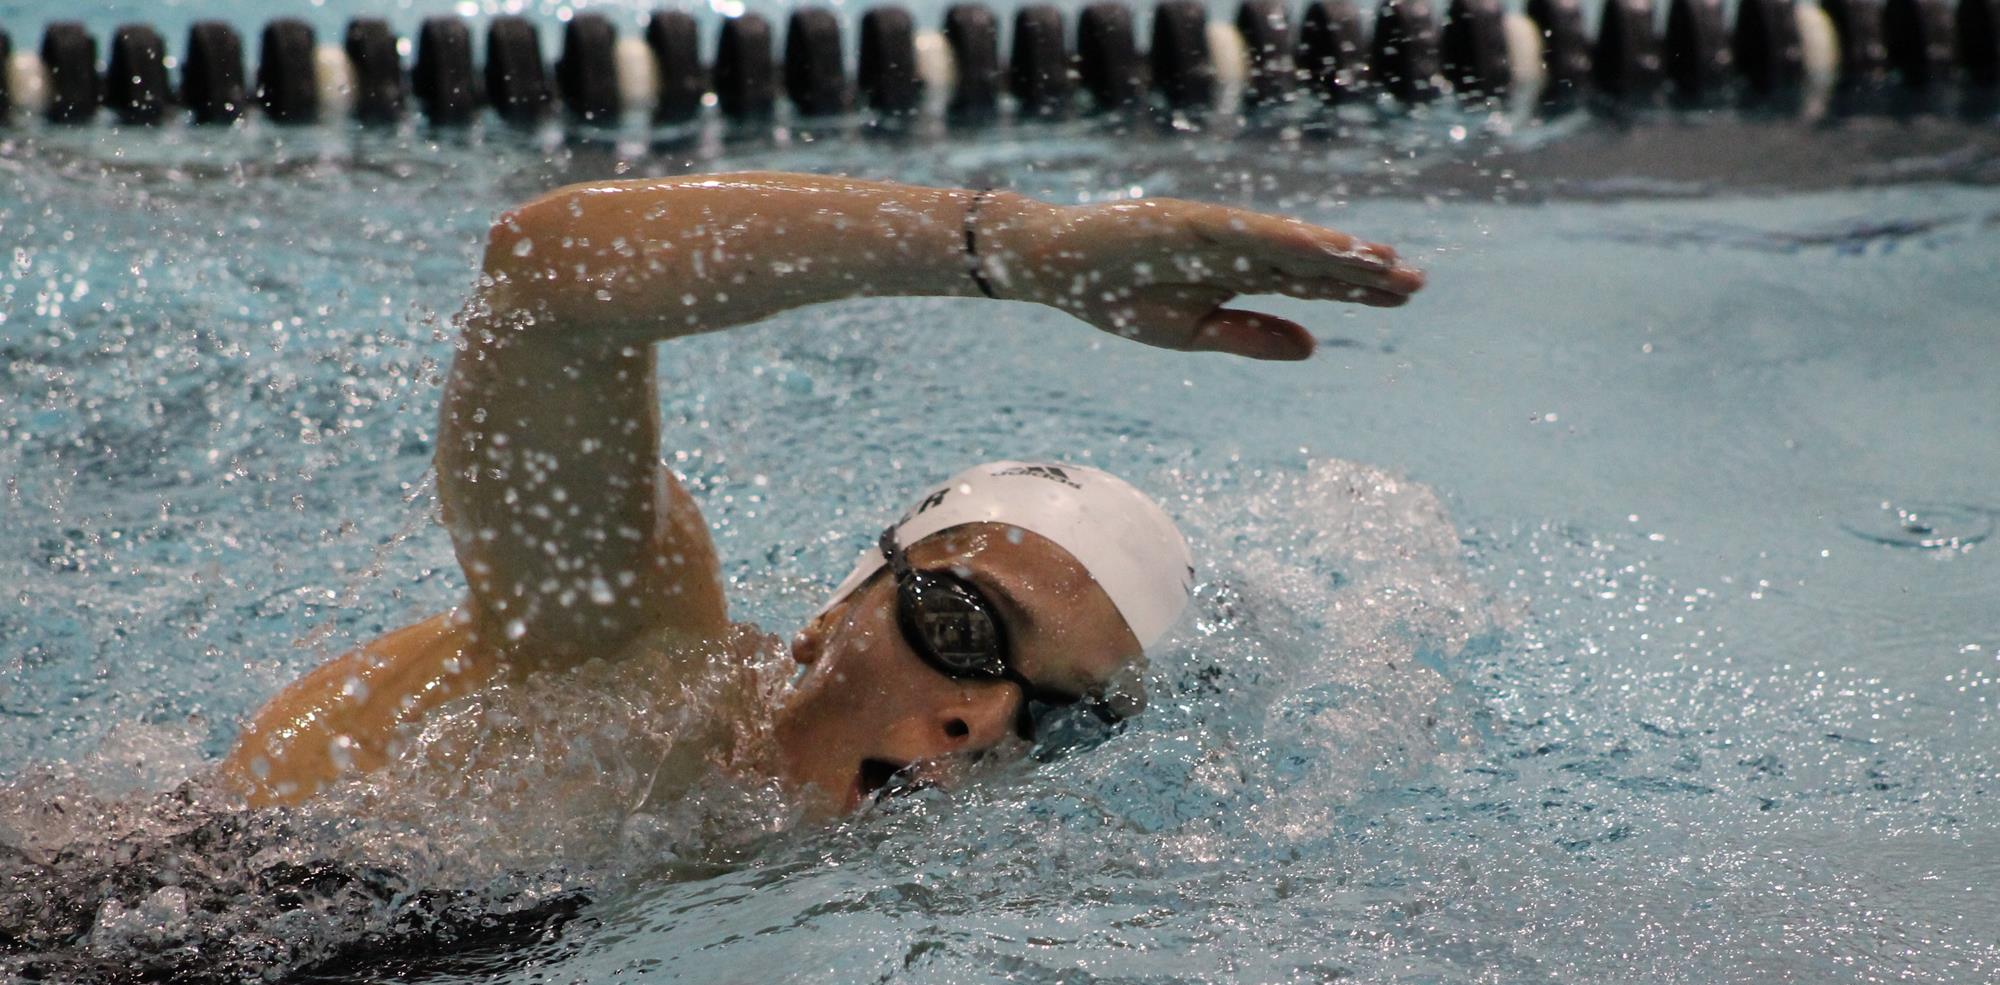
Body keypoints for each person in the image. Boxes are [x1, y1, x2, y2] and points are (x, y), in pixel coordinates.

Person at [218, 172, 1424, 819]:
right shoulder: (624, 657)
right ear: (838, 611)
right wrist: (1014, 248)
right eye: (963, 629)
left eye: (1058, 719)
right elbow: (548, 282)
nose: (983, 722)